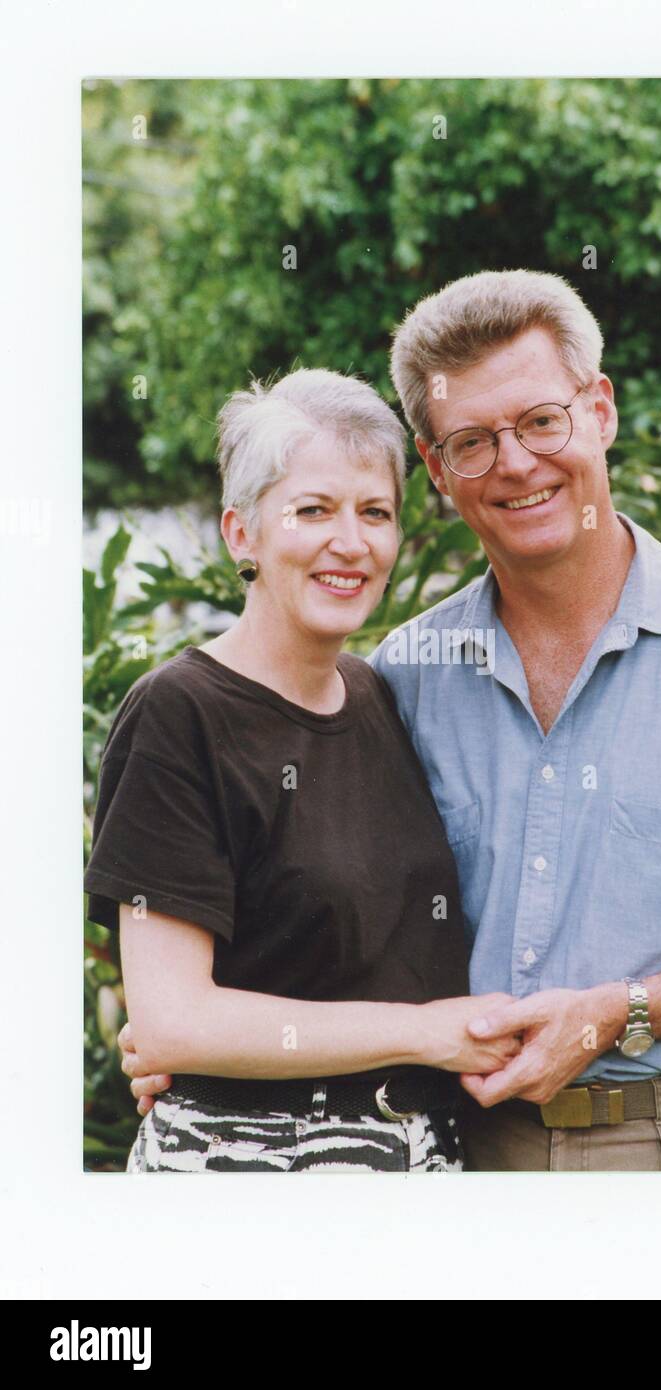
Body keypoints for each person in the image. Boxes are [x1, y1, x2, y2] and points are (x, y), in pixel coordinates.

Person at [128, 269, 661, 1173]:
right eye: (474, 442)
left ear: (599, 410)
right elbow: (337, 924)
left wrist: (623, 1009)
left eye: (540, 421)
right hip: (460, 1153)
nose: (517, 463)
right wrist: (192, 1041)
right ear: (441, 471)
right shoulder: (402, 679)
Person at [85, 367, 519, 1173]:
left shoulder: (380, 695)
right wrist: (428, 1030)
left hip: (416, 1155)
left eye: (374, 512)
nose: (350, 542)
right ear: (241, 534)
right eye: (312, 510)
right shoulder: (178, 714)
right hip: (252, 1165)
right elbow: (176, 1020)